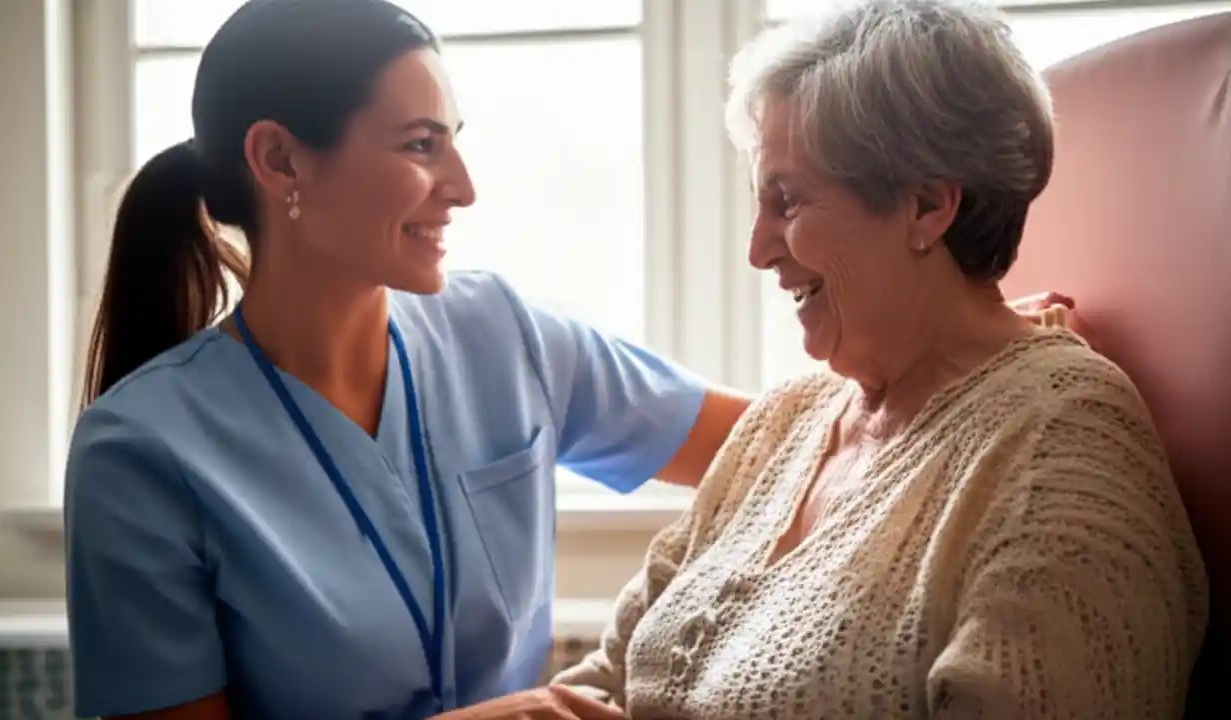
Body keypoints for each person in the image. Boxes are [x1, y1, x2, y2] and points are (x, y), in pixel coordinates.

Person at [64, 1, 1069, 718]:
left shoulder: (499, 334)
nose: (460, 185)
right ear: (280, 161)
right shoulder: (139, 455)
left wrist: (958, 344)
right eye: (419, 145)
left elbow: (795, 448)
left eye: (453, 141)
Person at [552, 1, 1208, 718]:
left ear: (927, 206)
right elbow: (607, 678)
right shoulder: (784, 419)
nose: (757, 249)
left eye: (788, 201)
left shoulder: (1060, 448)